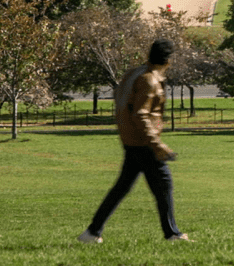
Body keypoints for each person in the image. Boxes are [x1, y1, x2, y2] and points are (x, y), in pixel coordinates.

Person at [78, 38, 189, 243]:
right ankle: (172, 234)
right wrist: (157, 144)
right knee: (163, 183)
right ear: (168, 61)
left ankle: (92, 232)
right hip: (143, 142)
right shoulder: (149, 80)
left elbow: (123, 102)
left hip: (130, 139)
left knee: (122, 187)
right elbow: (140, 114)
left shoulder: (134, 73)